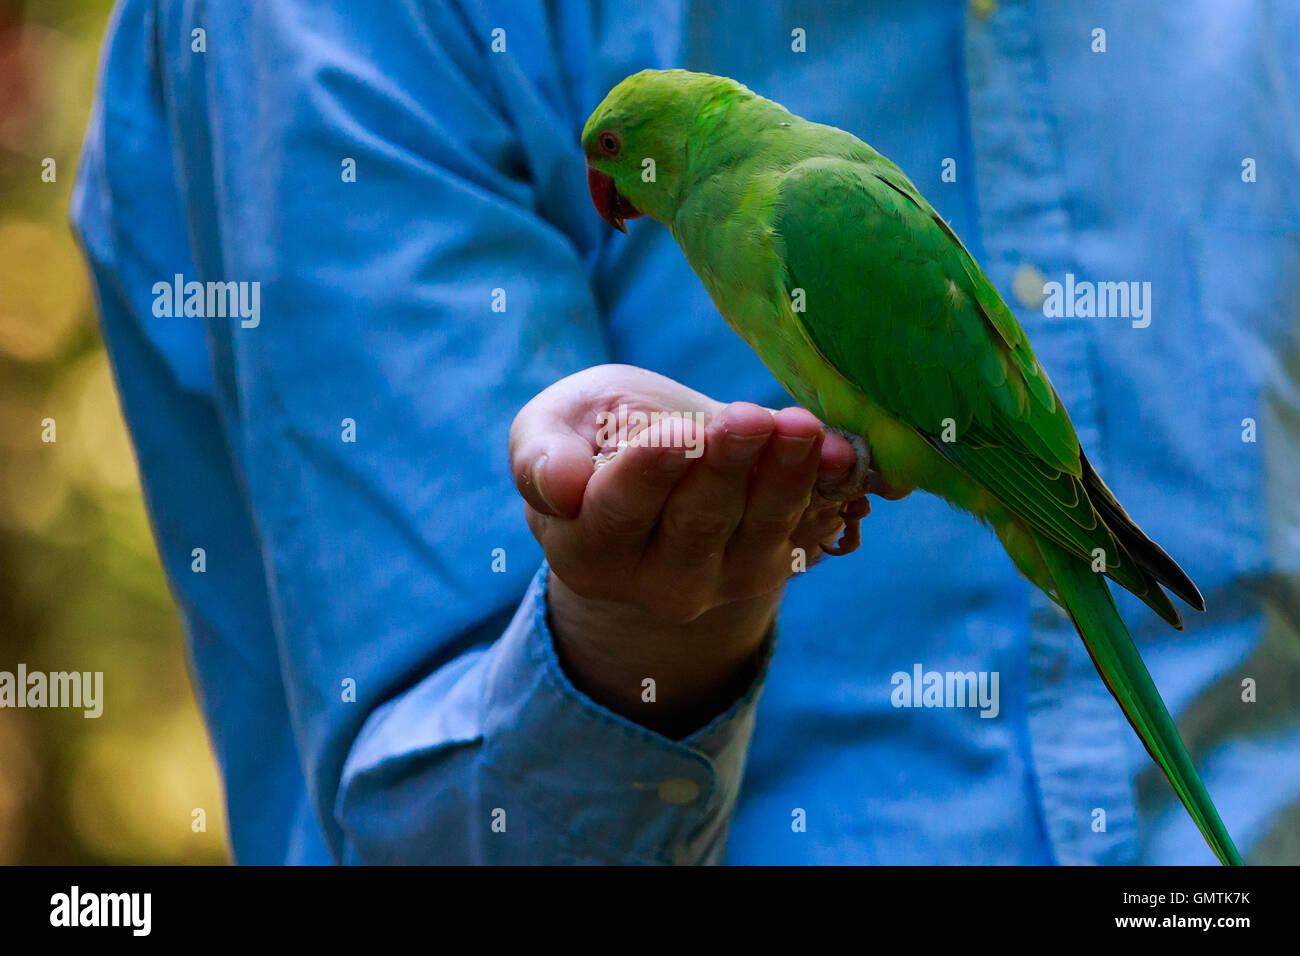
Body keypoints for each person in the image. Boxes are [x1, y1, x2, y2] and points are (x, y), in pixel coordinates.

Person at [71, 0, 1300, 864]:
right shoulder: (327, 29)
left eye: (611, 158)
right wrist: (630, 623)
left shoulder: (803, 203)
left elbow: (976, 413)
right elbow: (424, 815)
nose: (607, 185)